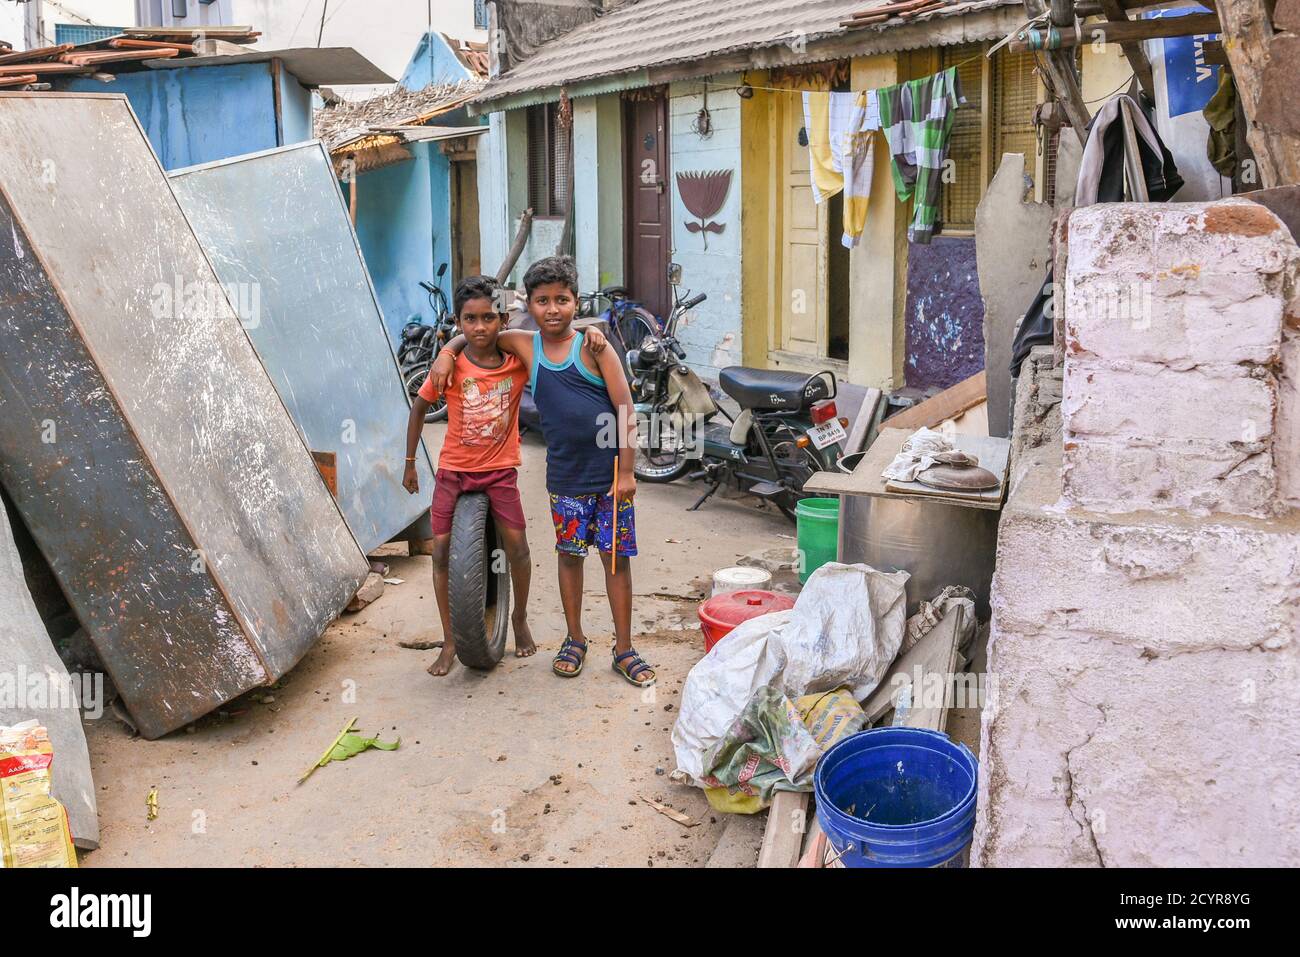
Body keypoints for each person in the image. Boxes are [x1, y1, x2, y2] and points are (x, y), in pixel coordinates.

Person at [429, 256, 653, 687]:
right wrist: (444, 353)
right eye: (543, 301)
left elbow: (625, 408)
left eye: (562, 300)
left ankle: (624, 648)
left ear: (576, 302)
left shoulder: (592, 346)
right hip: (565, 477)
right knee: (569, 557)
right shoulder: (523, 343)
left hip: (607, 476)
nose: (553, 309)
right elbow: (474, 333)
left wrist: (626, 473)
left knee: (615, 562)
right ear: (527, 305)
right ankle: (574, 639)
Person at [402, 275, 535, 677]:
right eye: (470, 319)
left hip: (499, 473)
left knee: (518, 549)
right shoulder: (451, 367)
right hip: (453, 473)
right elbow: (419, 408)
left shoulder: (517, 365)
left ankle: (519, 618)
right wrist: (409, 461)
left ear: (503, 319)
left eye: (489, 318)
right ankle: (450, 638)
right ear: (458, 322)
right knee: (440, 553)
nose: (480, 328)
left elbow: (554, 342)